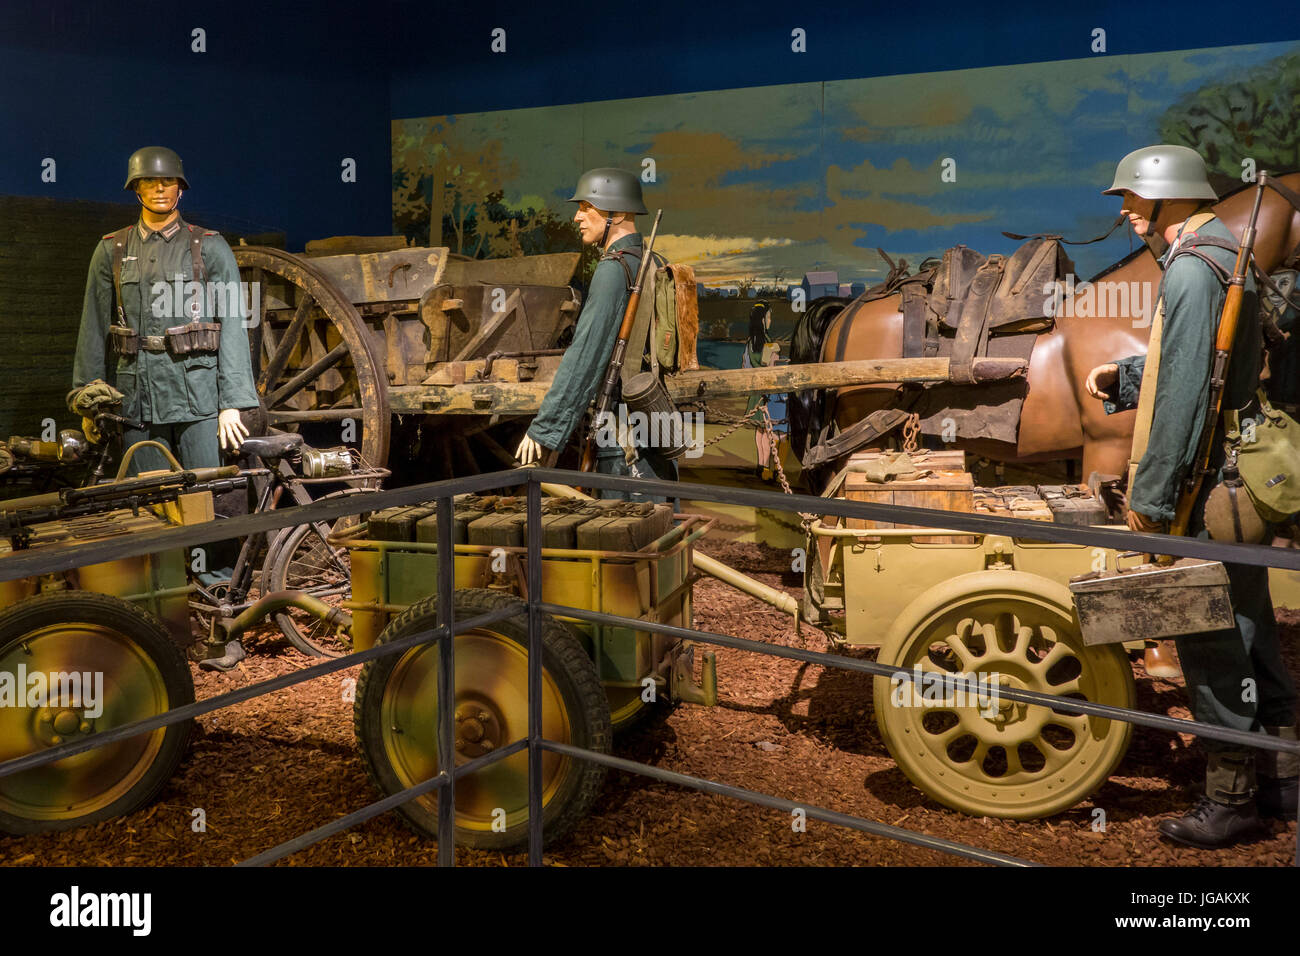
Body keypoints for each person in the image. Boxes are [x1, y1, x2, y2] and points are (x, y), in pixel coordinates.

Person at [1085, 144, 1298, 848]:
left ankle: (1230, 798)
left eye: (1131, 199)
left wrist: (1149, 495)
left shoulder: (1189, 271)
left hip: (1209, 486)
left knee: (1207, 636)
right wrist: (1123, 380)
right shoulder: (1222, 252)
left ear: (1164, 198)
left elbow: (1181, 396)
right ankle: (1284, 779)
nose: (1123, 212)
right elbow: (1209, 363)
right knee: (1247, 622)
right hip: (1243, 476)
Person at [71, 146, 259, 473]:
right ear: (136, 188)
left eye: (168, 181)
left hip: (197, 401)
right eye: (149, 181)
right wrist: (90, 403)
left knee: (205, 496)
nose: (159, 188)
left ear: (180, 188)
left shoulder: (210, 247)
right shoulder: (111, 250)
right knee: (145, 500)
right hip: (135, 402)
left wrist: (231, 404)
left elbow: (233, 326)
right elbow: (92, 328)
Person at [514, 168, 677, 500]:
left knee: (624, 541)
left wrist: (544, 429)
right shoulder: (654, 262)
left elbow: (584, 358)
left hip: (624, 438)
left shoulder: (613, 270)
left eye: (586, 207)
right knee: (662, 534)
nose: (577, 217)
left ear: (615, 214)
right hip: (657, 419)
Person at [742, 300, 780, 478]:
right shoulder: (768, 343)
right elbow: (772, 366)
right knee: (768, 432)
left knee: (759, 431)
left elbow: (745, 366)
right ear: (763, 320)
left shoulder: (750, 343)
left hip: (754, 391)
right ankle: (766, 467)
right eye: (769, 317)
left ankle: (760, 465)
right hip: (767, 392)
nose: (771, 321)